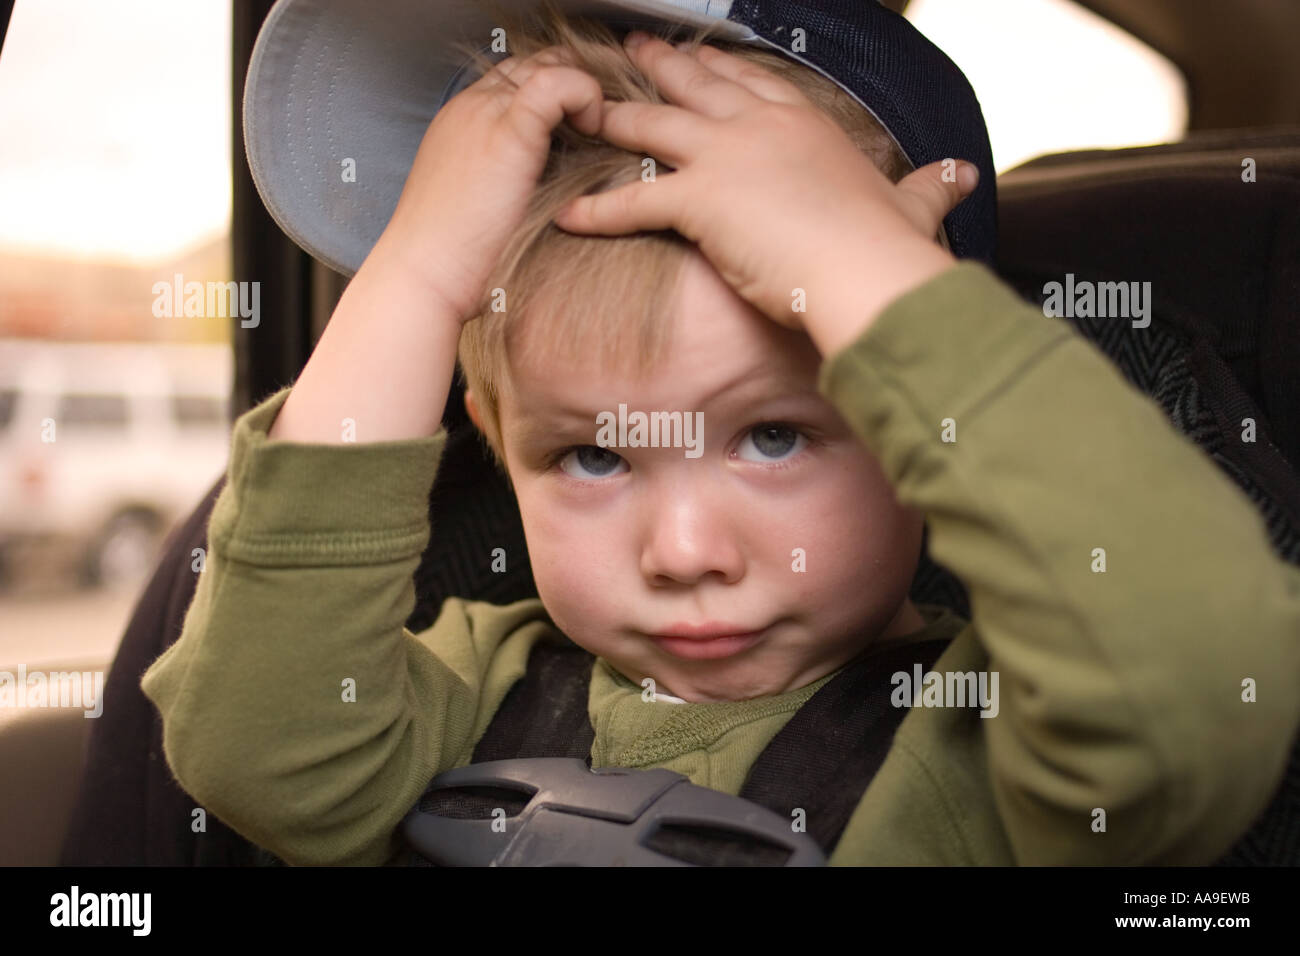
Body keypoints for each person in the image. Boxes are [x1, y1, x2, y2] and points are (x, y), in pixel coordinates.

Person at [139, 1, 1300, 866]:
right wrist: (416, 275)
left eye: (776, 437)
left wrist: (855, 271)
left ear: (918, 421)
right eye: (590, 455)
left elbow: (1194, 687)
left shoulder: (990, 736)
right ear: (494, 436)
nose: (685, 549)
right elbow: (256, 746)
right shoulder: (468, 677)